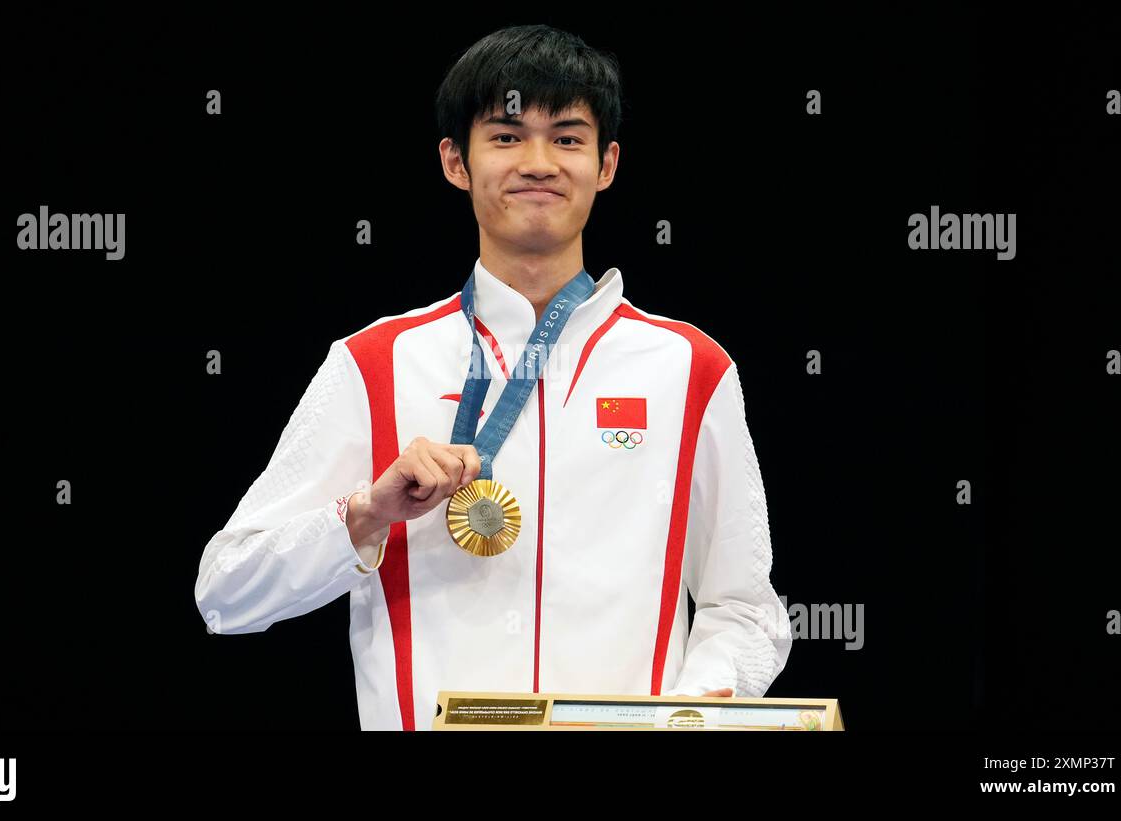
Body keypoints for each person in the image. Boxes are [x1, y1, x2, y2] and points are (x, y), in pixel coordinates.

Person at [194, 24, 791, 730]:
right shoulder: (373, 363)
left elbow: (747, 608)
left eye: (567, 138)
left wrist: (694, 713)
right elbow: (226, 592)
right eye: (507, 136)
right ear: (455, 160)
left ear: (607, 164)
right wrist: (364, 514)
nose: (538, 162)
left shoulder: (691, 368)